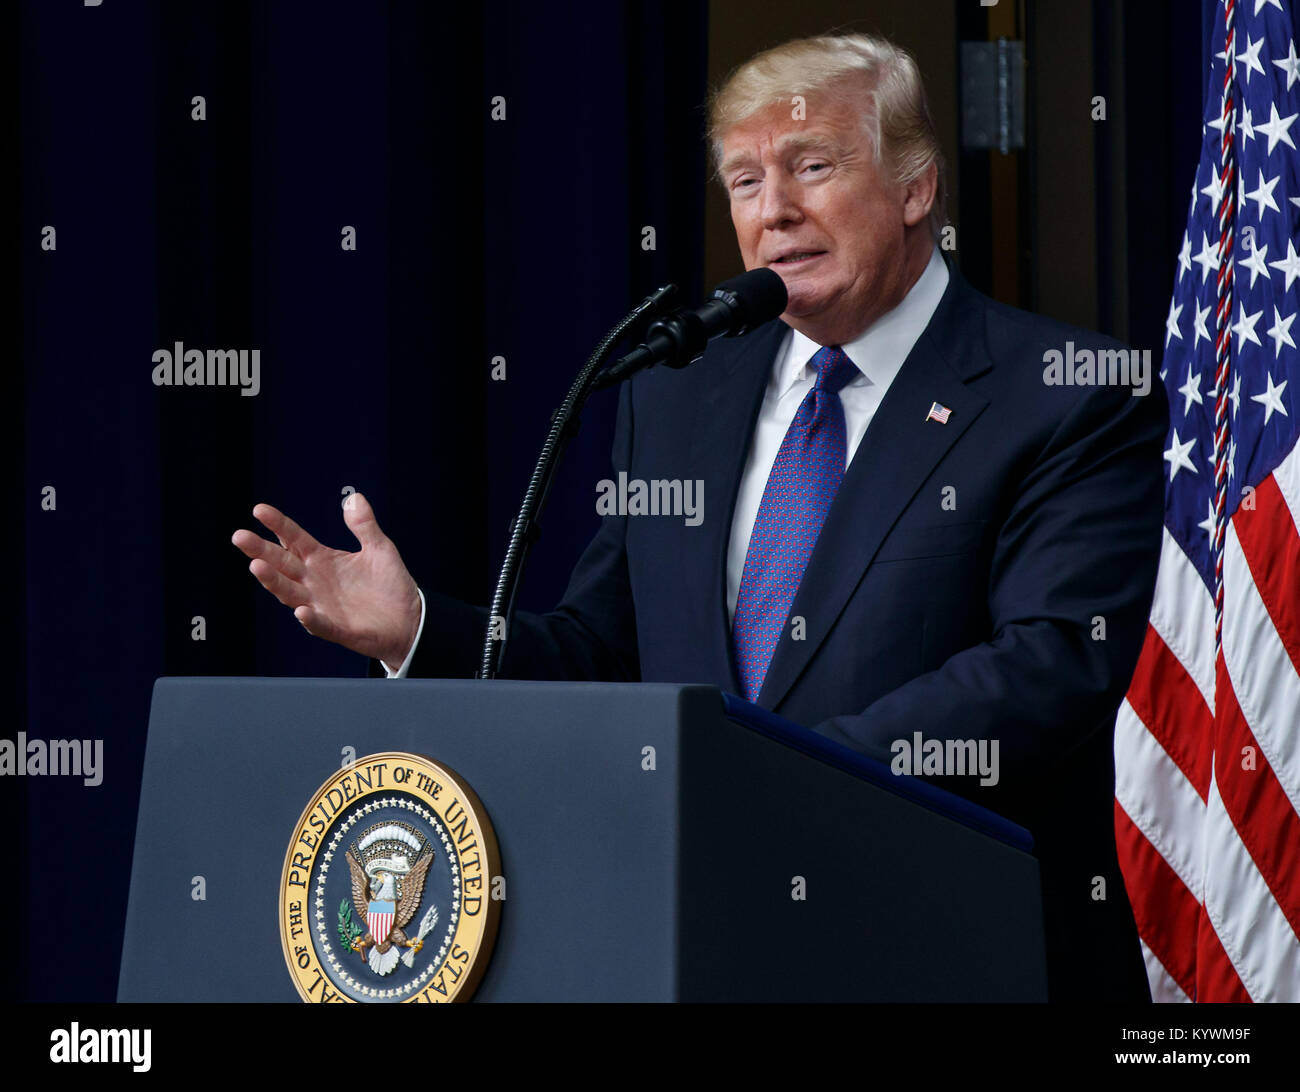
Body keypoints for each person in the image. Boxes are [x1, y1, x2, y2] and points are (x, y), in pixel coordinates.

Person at [233, 33, 1167, 1001]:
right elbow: (602, 651)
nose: (776, 212)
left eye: (813, 167)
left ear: (916, 189)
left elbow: (1049, 666)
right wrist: (421, 631)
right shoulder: (680, 400)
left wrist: (761, 780)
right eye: (745, 180)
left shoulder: (1064, 395)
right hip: (705, 957)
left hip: (948, 956)